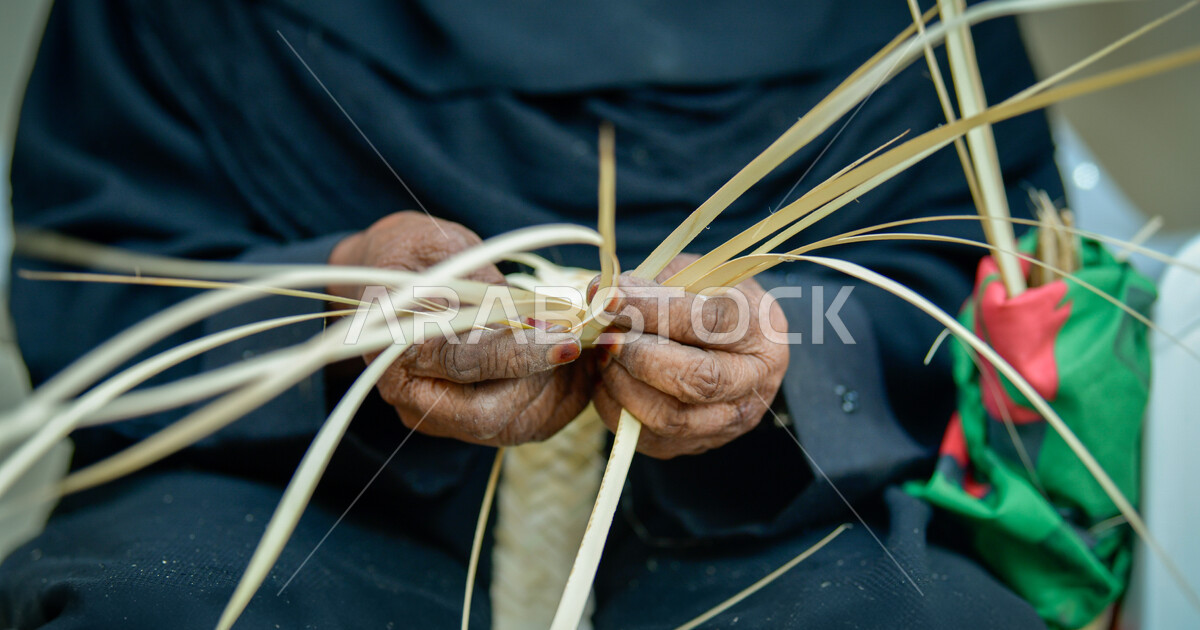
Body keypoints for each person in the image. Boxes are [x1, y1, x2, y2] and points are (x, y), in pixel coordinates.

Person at [2, 1, 1063, 628]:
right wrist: (335, 304)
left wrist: (782, 348)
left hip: (776, 520)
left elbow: (969, 280)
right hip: (291, 498)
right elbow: (100, 259)